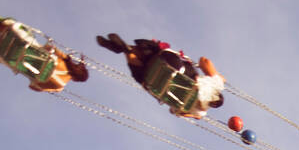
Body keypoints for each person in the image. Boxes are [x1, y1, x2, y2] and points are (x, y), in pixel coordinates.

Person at [94, 33, 225, 119]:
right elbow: (175, 112)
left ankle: (126, 48)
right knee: (140, 75)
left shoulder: (216, 84)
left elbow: (204, 61)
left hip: (171, 64)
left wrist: (217, 75)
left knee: (155, 52)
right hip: (153, 82)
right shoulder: (200, 112)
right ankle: (125, 51)